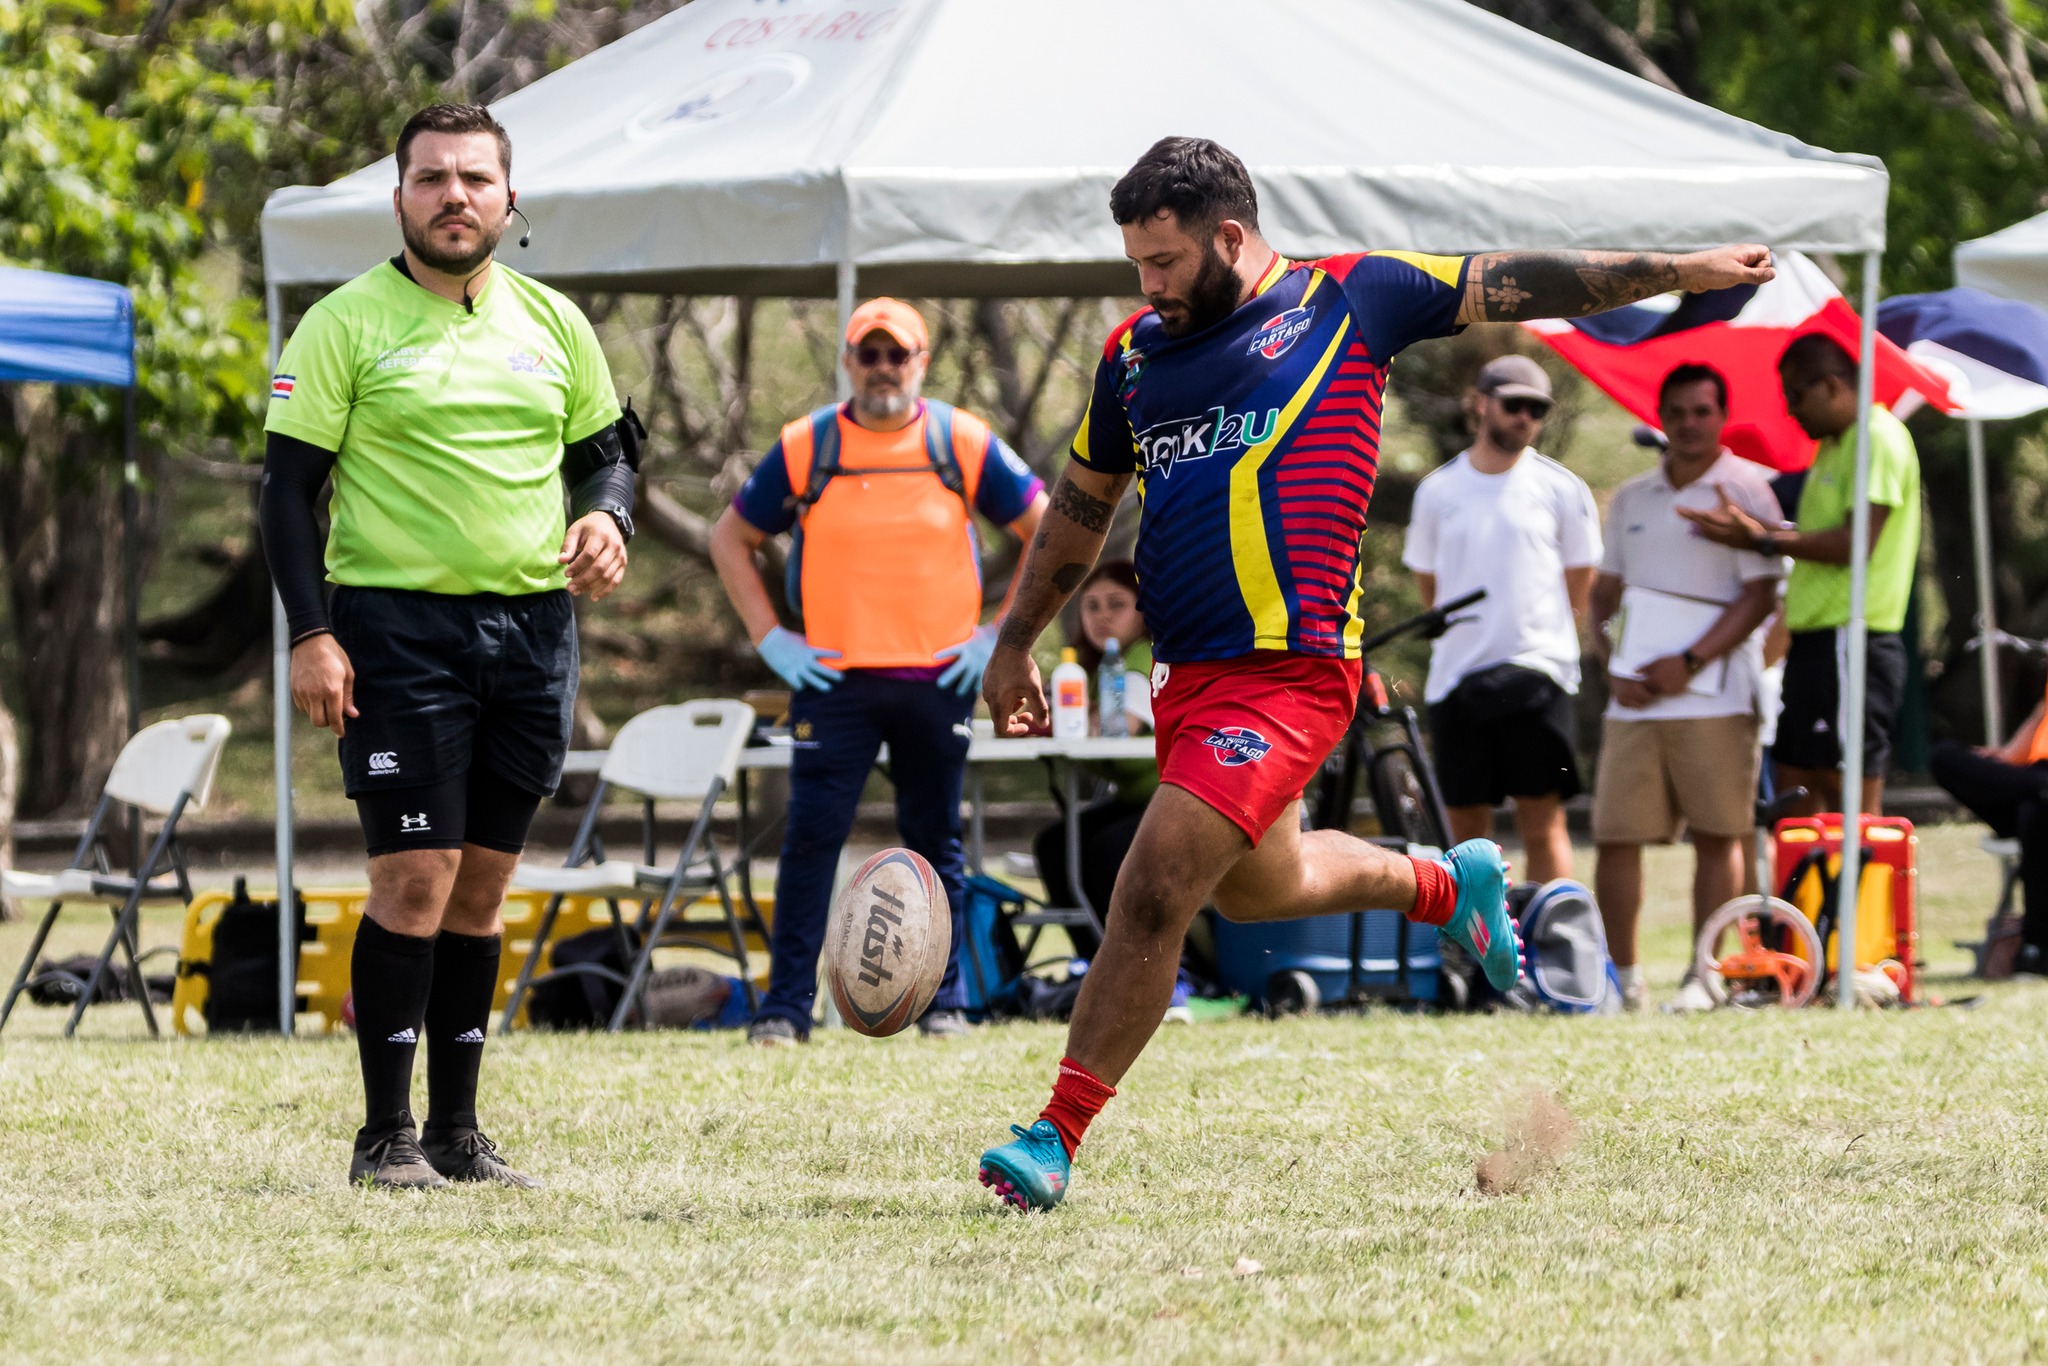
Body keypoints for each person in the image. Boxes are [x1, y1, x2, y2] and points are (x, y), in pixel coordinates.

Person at [974, 135, 1775, 1210]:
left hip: (1294, 673)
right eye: (1135, 264)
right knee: (1259, 889)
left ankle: (1054, 1136)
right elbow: (1080, 511)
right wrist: (1015, 639)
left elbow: (1520, 277)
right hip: (1189, 678)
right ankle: (1445, 885)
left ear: (1228, 236)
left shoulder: (1349, 300)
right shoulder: (1132, 357)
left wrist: (1677, 271)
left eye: (1162, 261)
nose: (1147, 285)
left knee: (1154, 883)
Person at [259, 104, 638, 1189]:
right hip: (394, 633)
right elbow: (285, 494)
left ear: (509, 199)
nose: (453, 196)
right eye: (431, 179)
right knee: (415, 878)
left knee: (480, 889)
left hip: (531, 636)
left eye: (474, 178)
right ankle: (382, 1136)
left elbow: (607, 458)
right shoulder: (342, 323)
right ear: (399, 200)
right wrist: (312, 633)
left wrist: (607, 518)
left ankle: (456, 1133)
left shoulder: (556, 322)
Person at [709, 298, 1047, 1047]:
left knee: (937, 842)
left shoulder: (960, 440)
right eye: (870, 353)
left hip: (939, 681)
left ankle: (944, 1003)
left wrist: (999, 637)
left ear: (922, 362)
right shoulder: (808, 444)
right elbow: (729, 538)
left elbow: (1046, 529)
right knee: (809, 842)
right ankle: (785, 1010)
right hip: (833, 683)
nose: (884, 368)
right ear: (848, 362)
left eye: (899, 354)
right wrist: (771, 639)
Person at [1588, 364, 1783, 1013]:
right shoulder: (1633, 497)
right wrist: (1611, 660)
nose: (1689, 423)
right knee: (1615, 835)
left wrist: (1692, 661)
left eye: (1702, 411)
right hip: (1634, 700)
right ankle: (1622, 979)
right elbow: (1604, 593)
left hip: (1717, 697)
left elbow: (1762, 596)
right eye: (1677, 412)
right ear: (1661, 418)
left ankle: (1704, 974)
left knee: (1718, 834)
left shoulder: (1748, 489)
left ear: (1722, 416)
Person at [1680, 332, 1921, 817]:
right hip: (1816, 643)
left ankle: (1858, 871)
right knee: (1796, 791)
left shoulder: (1875, 437)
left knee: (1845, 796)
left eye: (1795, 395)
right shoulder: (1835, 445)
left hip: (1851, 640)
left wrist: (1762, 540)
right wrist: (1754, 528)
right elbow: (1816, 536)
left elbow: (1855, 543)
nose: (1790, 411)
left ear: (1831, 385)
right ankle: (1809, 874)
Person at [1403, 355, 1601, 883]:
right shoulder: (1437, 490)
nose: (1524, 418)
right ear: (1479, 404)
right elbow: (1429, 586)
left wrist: (1549, 636)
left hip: (1538, 674)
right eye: (1514, 404)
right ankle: (1481, 934)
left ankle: (1547, 929)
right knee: (1467, 837)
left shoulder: (1562, 487)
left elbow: (1579, 579)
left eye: (1537, 409)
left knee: (1543, 823)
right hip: (1457, 678)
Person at [1030, 562, 1157, 949]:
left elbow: (1120, 728)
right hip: (1136, 801)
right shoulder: (1096, 666)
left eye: (1117, 604)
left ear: (1144, 609)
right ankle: (1093, 960)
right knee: (1054, 843)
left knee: (1104, 849)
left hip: (1171, 801)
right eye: (1092, 606)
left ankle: (1135, 960)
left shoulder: (1146, 656)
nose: (1102, 616)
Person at [1930, 699, 2048, 974]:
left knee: (2035, 813)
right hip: (2032, 778)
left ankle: (2037, 947)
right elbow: (2042, 712)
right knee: (1946, 757)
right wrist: (2007, 756)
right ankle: (2041, 788)